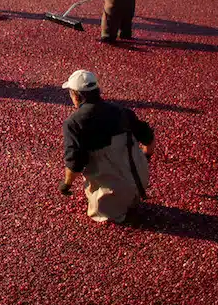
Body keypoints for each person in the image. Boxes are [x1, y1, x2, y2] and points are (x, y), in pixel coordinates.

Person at [58, 70, 154, 224]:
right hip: (140, 182)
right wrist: (145, 157)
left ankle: (116, 206)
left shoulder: (74, 123)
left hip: (112, 193)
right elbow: (148, 137)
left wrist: (66, 184)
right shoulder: (123, 112)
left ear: (76, 95)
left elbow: (75, 162)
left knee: (101, 211)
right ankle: (131, 198)